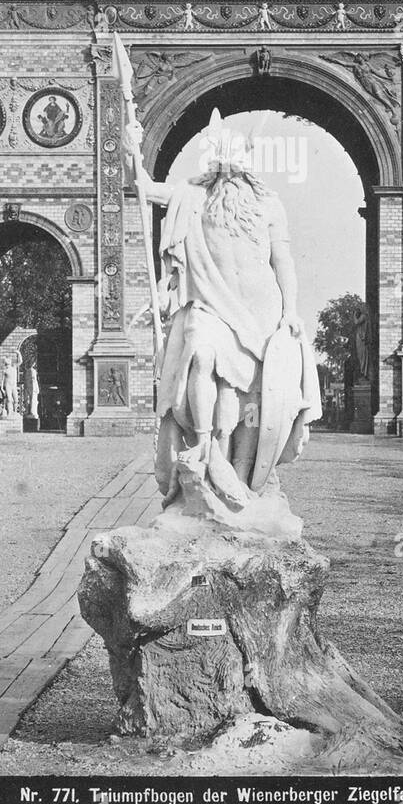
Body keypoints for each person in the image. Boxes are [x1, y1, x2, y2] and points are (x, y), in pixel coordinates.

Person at [126, 110, 320, 514]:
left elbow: (283, 260)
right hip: (211, 303)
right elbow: (143, 187)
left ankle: (242, 473)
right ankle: (201, 444)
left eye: (232, 156)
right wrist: (131, 149)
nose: (226, 164)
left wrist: (291, 312)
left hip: (260, 310)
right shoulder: (192, 195)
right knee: (198, 348)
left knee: (248, 396)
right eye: (218, 156)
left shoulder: (268, 204)